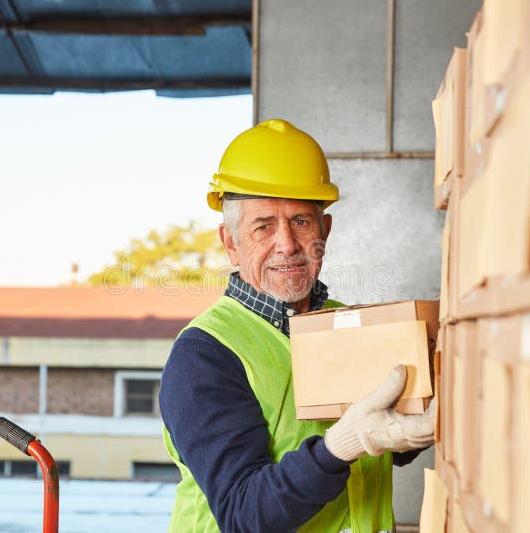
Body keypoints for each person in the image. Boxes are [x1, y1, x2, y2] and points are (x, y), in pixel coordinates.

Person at [160, 119, 435, 533]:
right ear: (231, 242)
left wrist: (422, 416)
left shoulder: (351, 324)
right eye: (263, 226)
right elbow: (243, 514)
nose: (287, 244)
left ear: (325, 231)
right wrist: (346, 443)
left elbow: (384, 441)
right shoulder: (204, 356)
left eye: (302, 222)